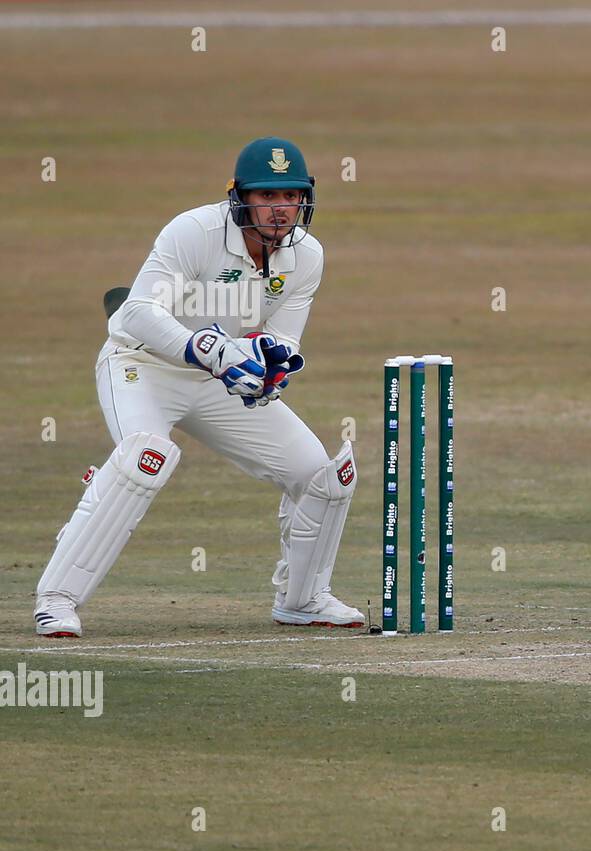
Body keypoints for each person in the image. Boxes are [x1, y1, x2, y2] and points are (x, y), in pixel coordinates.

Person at [33, 136, 364, 637]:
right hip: (142, 365)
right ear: (240, 198)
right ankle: (57, 600)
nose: (281, 209)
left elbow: (281, 337)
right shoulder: (194, 231)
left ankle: (302, 600)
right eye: (267, 197)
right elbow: (137, 313)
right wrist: (209, 349)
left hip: (220, 380)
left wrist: (271, 366)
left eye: (291, 196)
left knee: (320, 475)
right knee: (145, 459)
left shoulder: (307, 256)